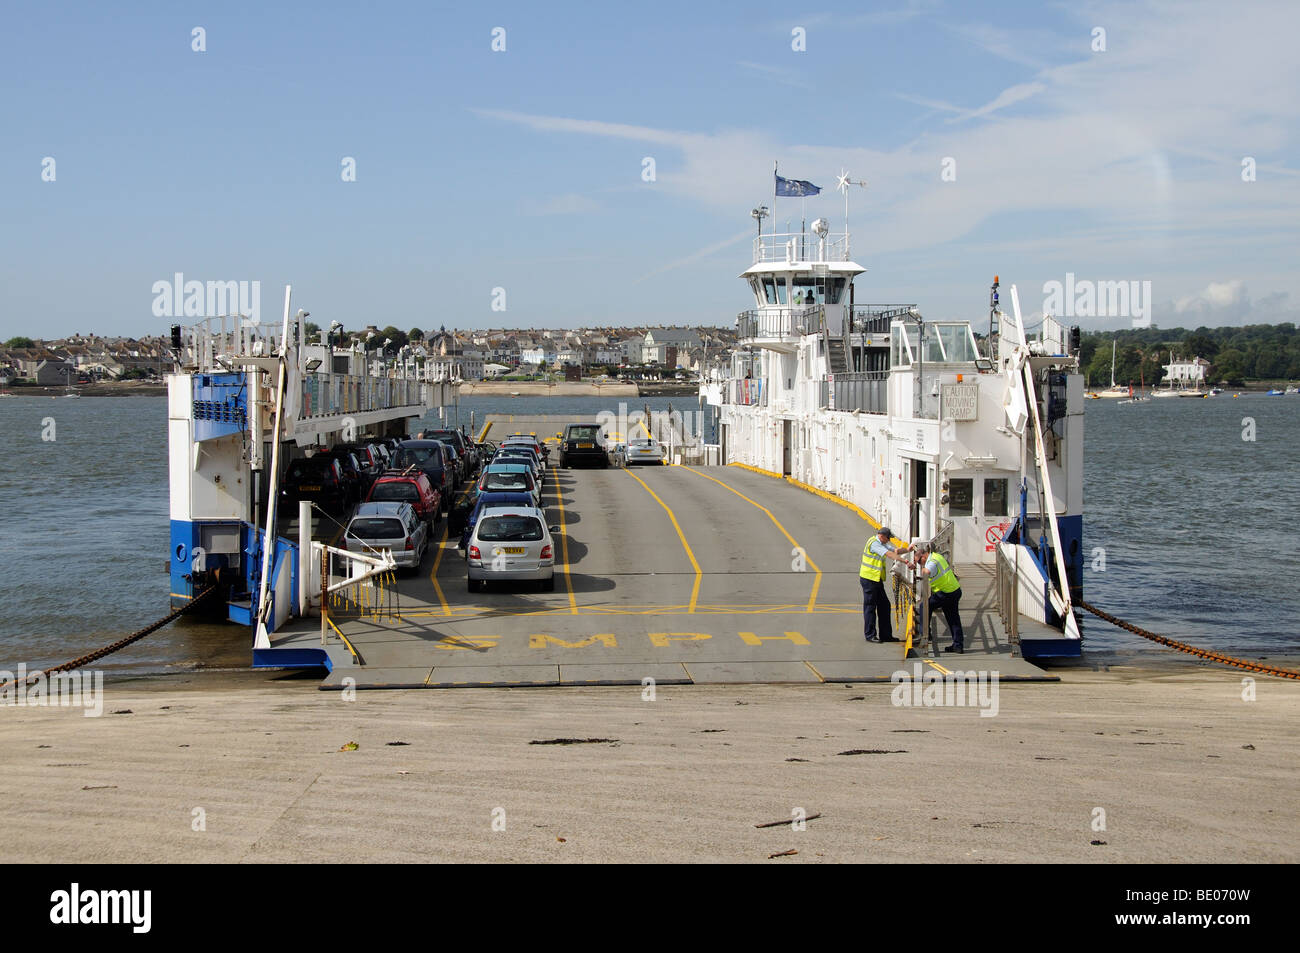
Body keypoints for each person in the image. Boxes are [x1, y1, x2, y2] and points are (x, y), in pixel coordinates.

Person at [912, 540, 965, 654]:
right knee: (953, 619)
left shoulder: (932, 561)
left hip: (945, 593)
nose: (920, 564)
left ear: (924, 556)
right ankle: (958, 645)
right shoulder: (936, 556)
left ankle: (925, 634)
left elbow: (927, 570)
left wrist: (923, 570)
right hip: (954, 590)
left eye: (919, 561)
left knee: (924, 607)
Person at [860, 526, 910, 643]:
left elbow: (895, 551)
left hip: (876, 579)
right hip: (869, 579)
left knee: (884, 606)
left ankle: (886, 635)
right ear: (882, 536)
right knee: (870, 607)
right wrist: (906, 561)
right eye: (887, 538)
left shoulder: (881, 542)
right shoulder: (874, 544)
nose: (888, 541)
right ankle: (870, 635)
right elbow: (890, 555)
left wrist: (909, 549)